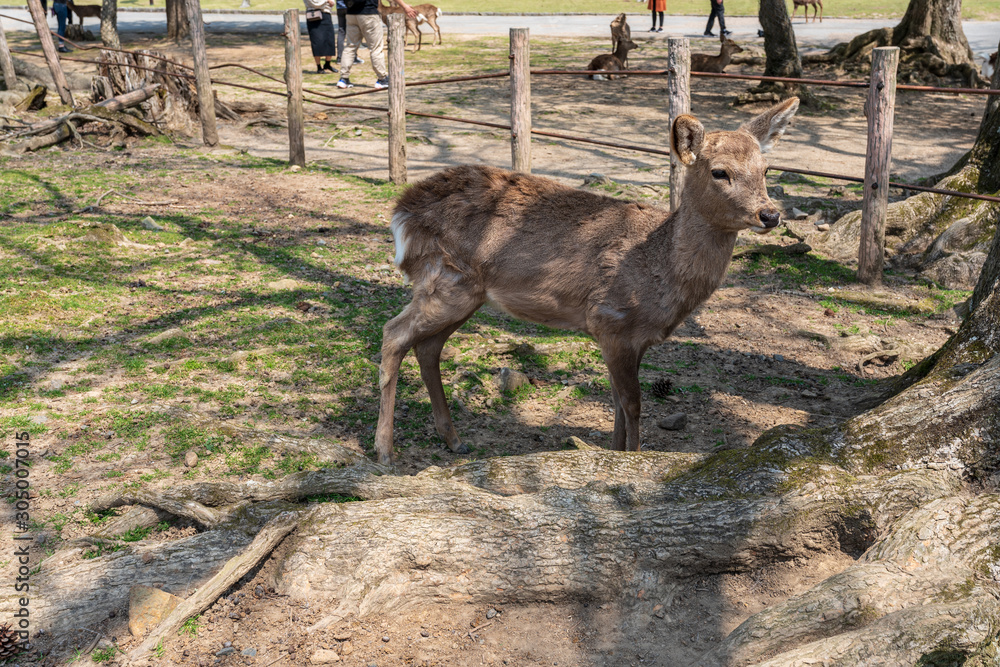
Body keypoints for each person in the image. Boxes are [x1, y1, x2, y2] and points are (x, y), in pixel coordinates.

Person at [336, 0, 416, 90]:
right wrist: (405, 6)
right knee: (376, 47)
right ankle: (382, 78)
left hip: (351, 14)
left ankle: (343, 78)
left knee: (350, 47)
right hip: (369, 14)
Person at [304, 0, 338, 74]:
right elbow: (314, 4)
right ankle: (319, 67)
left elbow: (332, 2)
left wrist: (329, 2)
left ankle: (327, 64)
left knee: (330, 40)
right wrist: (326, 1)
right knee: (317, 42)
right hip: (313, 15)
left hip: (326, 15)